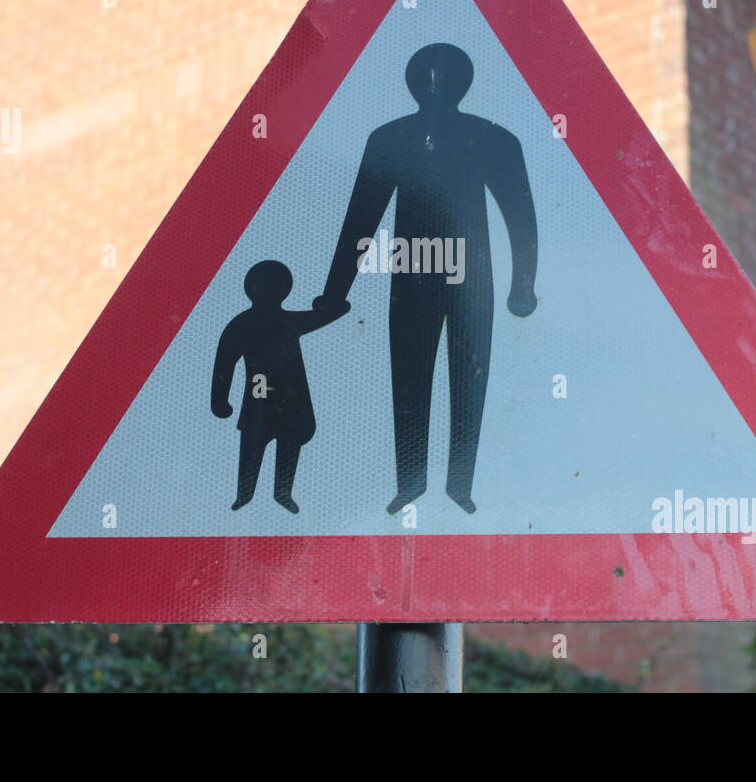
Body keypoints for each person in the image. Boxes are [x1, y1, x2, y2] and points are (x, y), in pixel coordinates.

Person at [314, 43, 538, 515]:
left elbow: (520, 215)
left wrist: (523, 285)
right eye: (428, 78)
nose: (436, 88)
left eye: (446, 78)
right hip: (412, 274)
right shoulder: (389, 139)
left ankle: (461, 485)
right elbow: (360, 221)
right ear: (413, 83)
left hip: (471, 279)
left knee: (469, 377)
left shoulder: (493, 139)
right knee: (409, 380)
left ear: (464, 84)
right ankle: (411, 481)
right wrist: (334, 294)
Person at [212, 260, 349, 513]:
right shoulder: (241, 325)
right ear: (251, 288)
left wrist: (334, 307)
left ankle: (283, 493)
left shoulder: (288, 321)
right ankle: (244, 494)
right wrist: (219, 400)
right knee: (252, 449)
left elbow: (318, 318)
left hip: (291, 403)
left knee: (289, 448)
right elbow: (224, 363)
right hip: (258, 402)